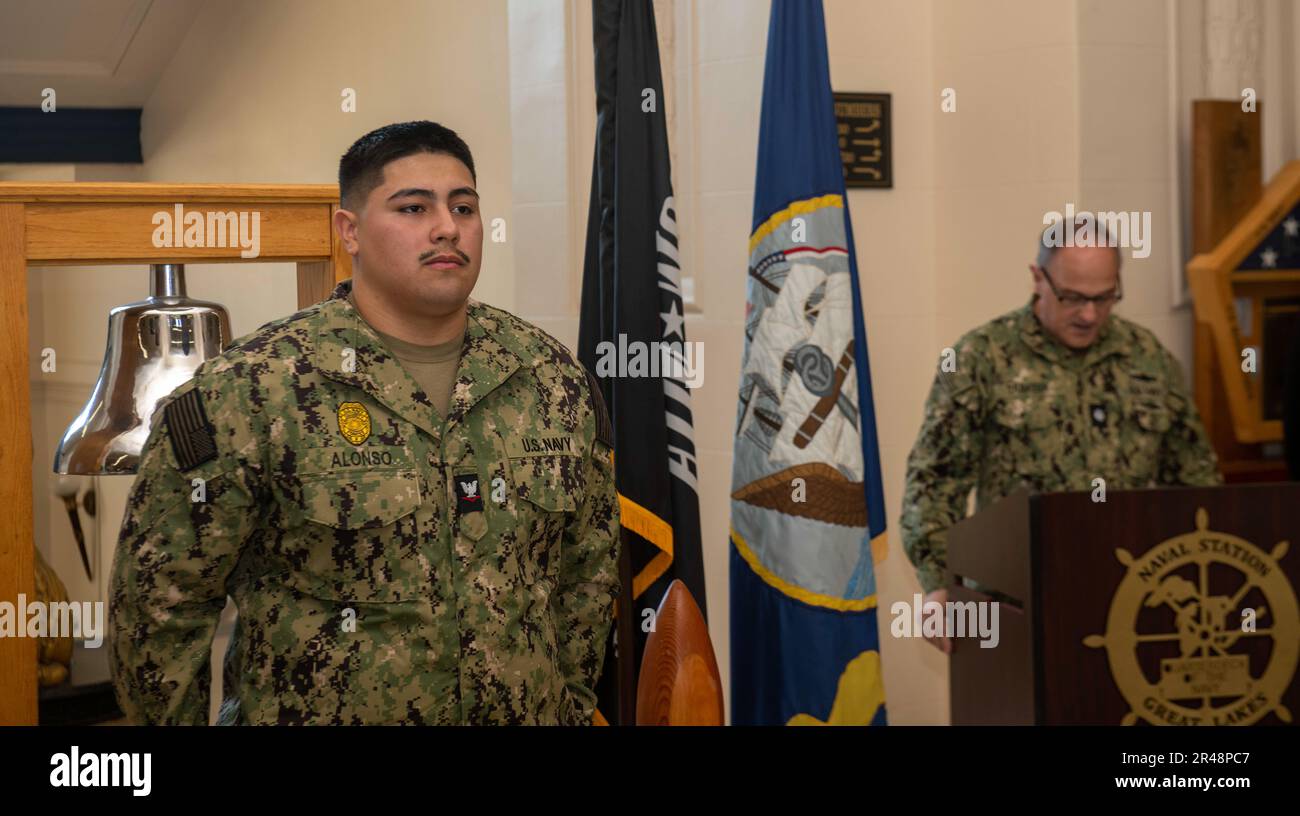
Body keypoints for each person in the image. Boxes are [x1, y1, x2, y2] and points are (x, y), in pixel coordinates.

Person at [109, 121, 620, 724]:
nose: (447, 228)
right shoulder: (253, 389)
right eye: (413, 207)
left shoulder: (549, 378)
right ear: (349, 230)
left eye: (464, 207)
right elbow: (161, 608)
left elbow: (587, 576)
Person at [900, 218, 1221, 652]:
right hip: (1014, 598)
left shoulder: (1148, 358)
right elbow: (935, 480)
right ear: (1038, 279)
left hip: (1134, 600)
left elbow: (1195, 479)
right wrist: (939, 586)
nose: (1089, 315)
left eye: (1104, 298)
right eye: (1072, 298)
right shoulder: (982, 357)